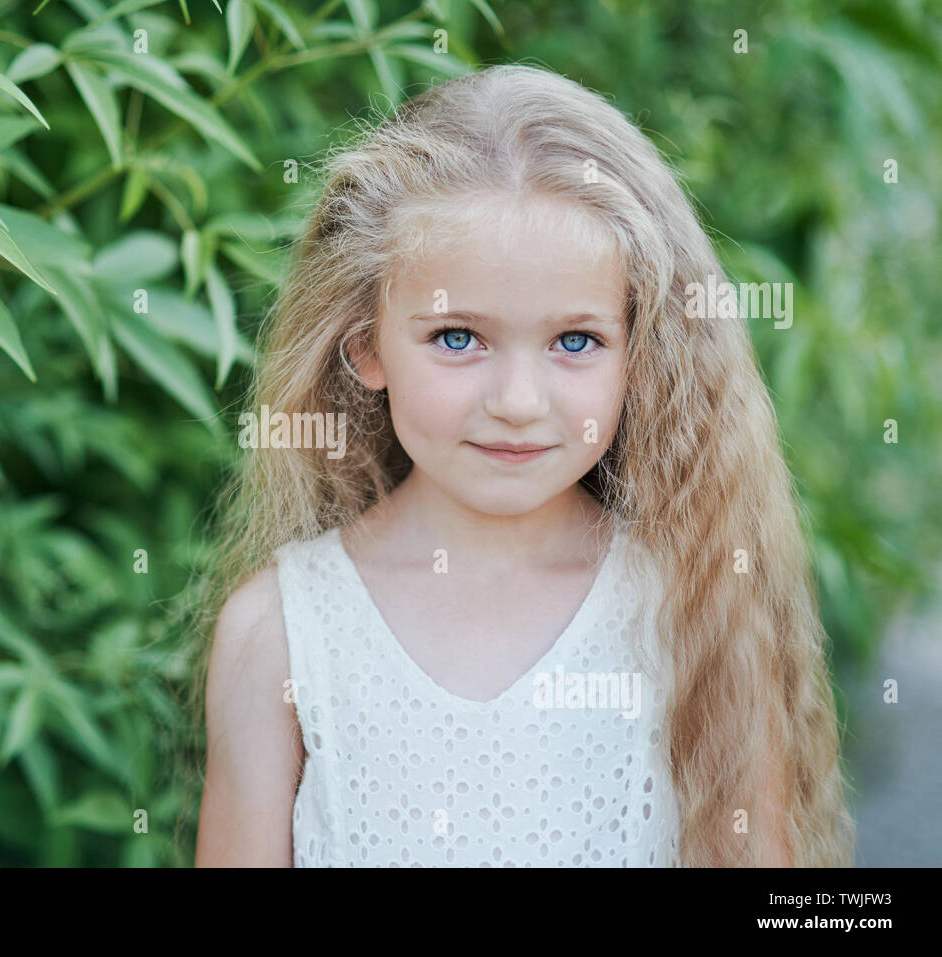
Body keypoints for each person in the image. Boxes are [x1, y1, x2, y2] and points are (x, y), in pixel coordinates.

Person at [190, 64, 854, 867]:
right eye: (456, 337)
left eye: (576, 341)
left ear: (639, 352)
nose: (516, 399)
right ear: (364, 344)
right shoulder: (280, 635)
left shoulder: (695, 605)